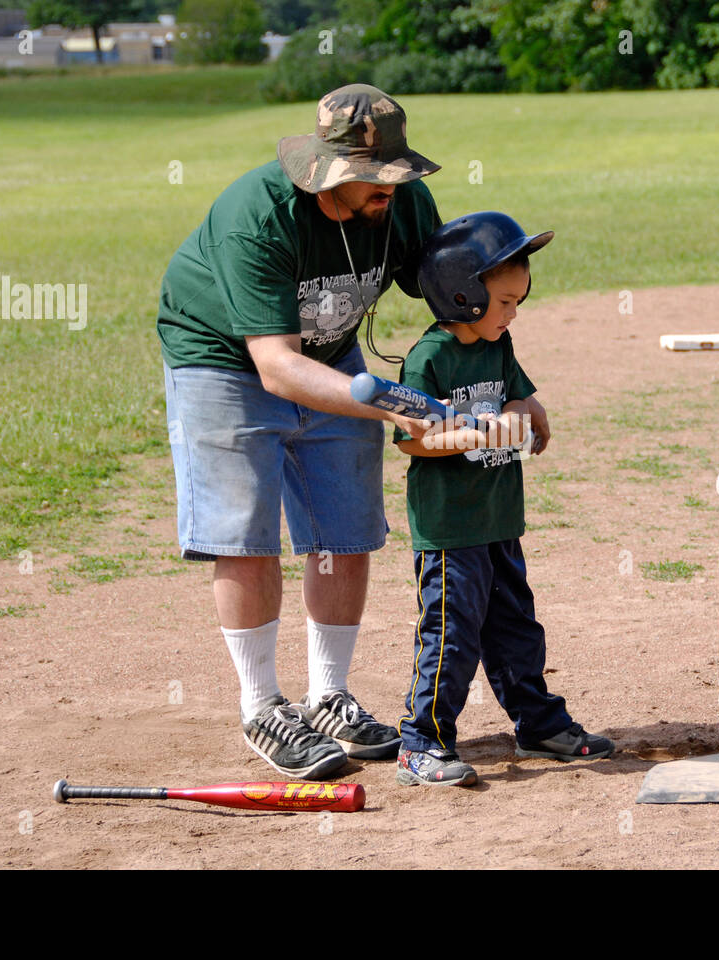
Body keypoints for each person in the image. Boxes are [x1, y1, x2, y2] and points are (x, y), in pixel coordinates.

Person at [156, 84, 442, 780]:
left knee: (344, 528)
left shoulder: (403, 204)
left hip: (330, 353)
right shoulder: (257, 217)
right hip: (223, 357)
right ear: (327, 172)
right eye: (371, 178)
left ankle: (328, 698)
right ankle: (261, 706)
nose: (389, 191)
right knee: (244, 529)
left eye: (396, 174)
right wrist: (392, 405)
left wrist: (482, 373)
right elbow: (277, 368)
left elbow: (449, 293)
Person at [391, 212, 615, 787]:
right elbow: (413, 439)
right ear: (463, 294)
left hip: (498, 521)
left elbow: (522, 398)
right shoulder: (428, 359)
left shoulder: (498, 343)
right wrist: (472, 434)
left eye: (519, 300)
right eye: (505, 301)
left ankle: (537, 724)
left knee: (516, 628)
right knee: (452, 635)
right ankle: (422, 743)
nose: (514, 313)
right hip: (449, 532)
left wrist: (530, 414)